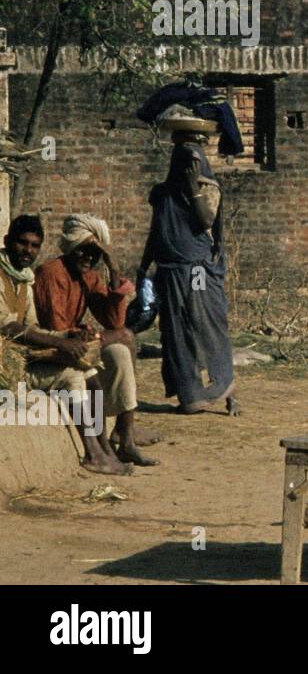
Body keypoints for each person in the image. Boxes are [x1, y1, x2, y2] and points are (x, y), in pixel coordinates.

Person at [0, 215, 131, 475]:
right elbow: (9, 327)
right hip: (6, 364)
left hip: (21, 354)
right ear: (7, 241)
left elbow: (33, 326)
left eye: (35, 246)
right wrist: (62, 341)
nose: (29, 251)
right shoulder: (47, 274)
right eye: (22, 243)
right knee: (72, 375)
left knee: (92, 368)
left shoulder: (24, 278)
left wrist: (69, 337)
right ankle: (93, 454)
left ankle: (105, 449)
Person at [34, 215, 158, 466]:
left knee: (122, 350)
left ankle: (126, 440)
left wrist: (112, 268)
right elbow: (57, 330)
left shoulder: (89, 276)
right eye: (84, 252)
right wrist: (90, 336)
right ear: (71, 248)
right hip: (54, 346)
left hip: (77, 342)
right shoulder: (52, 273)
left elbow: (115, 320)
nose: (89, 259)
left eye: (95, 255)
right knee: (125, 337)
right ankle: (112, 443)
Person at [139, 121, 239, 415]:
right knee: (175, 330)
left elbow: (206, 221)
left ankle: (225, 386)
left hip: (196, 271)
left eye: (192, 157)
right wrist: (144, 266)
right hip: (169, 271)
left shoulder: (207, 189)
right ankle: (190, 392)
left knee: (203, 324)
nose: (186, 162)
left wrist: (194, 187)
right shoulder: (163, 193)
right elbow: (155, 231)